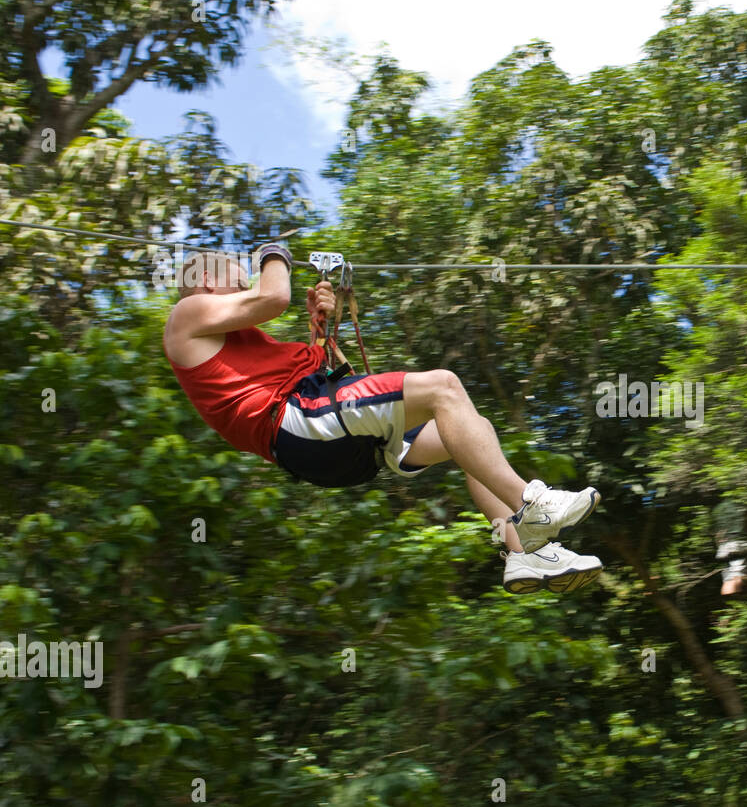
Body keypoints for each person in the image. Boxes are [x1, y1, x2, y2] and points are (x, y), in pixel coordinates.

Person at [162, 243, 602, 594]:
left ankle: (520, 550)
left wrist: (320, 326)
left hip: (325, 447)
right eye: (237, 271)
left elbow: (291, 371)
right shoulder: (187, 314)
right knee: (443, 386)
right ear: (204, 278)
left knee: (470, 430)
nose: (246, 276)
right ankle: (533, 502)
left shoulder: (232, 344)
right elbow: (273, 295)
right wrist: (271, 253)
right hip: (300, 423)